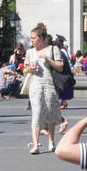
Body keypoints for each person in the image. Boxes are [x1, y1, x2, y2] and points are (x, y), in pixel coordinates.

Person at [24, 23, 65, 155]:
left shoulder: (53, 49)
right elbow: (24, 69)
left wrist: (48, 59)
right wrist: (30, 69)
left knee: (50, 112)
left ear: (40, 38)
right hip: (35, 84)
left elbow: (60, 66)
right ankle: (35, 144)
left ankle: (51, 141)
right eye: (30, 38)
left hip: (49, 83)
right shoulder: (30, 52)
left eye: (33, 38)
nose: (32, 41)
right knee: (36, 113)